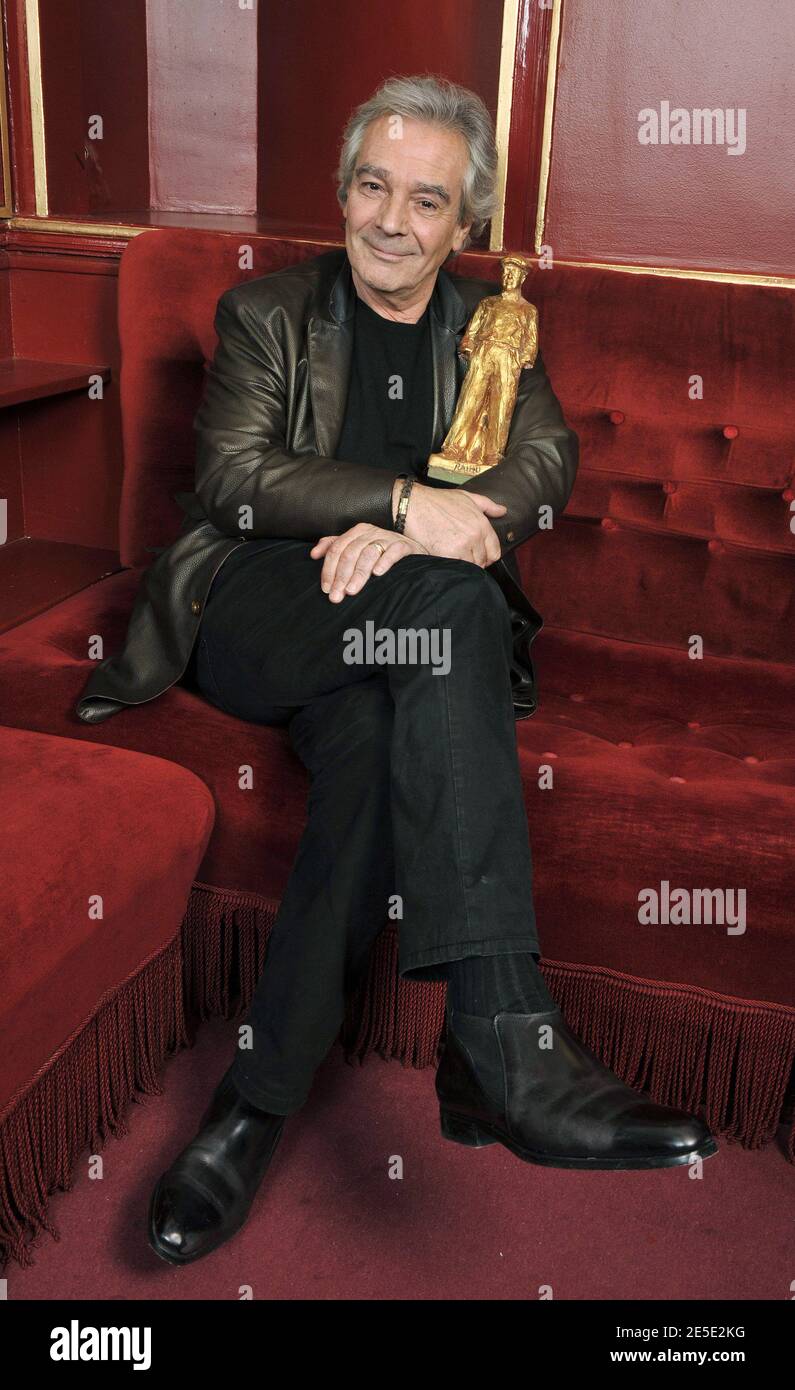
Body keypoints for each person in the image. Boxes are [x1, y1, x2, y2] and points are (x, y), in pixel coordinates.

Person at [136, 74, 718, 1265]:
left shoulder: (491, 329)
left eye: (427, 201)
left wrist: (449, 528)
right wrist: (409, 506)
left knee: (369, 752)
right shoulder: (268, 313)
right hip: (262, 606)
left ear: (466, 225)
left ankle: (250, 1106)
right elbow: (236, 480)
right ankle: (503, 1037)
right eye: (372, 186)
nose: (391, 221)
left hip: (401, 637)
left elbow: (545, 458)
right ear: (343, 193)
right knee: (452, 600)